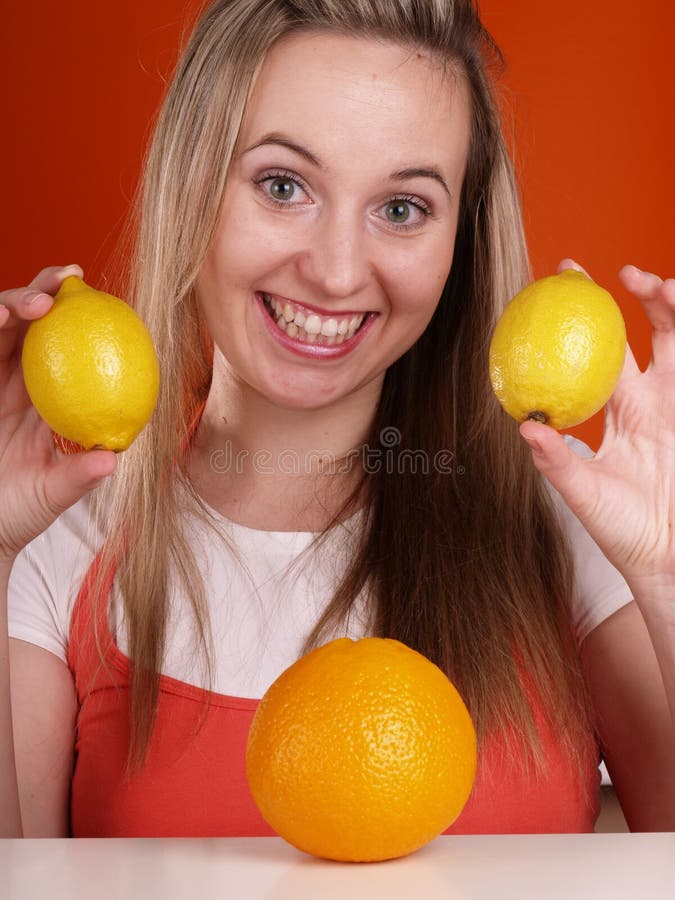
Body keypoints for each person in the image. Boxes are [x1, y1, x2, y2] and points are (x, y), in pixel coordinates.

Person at [1, 0, 673, 839]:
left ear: (457, 243)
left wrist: (663, 577)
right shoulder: (51, 550)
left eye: (401, 209)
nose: (334, 271)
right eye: (283, 186)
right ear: (192, 184)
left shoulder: (565, 530)